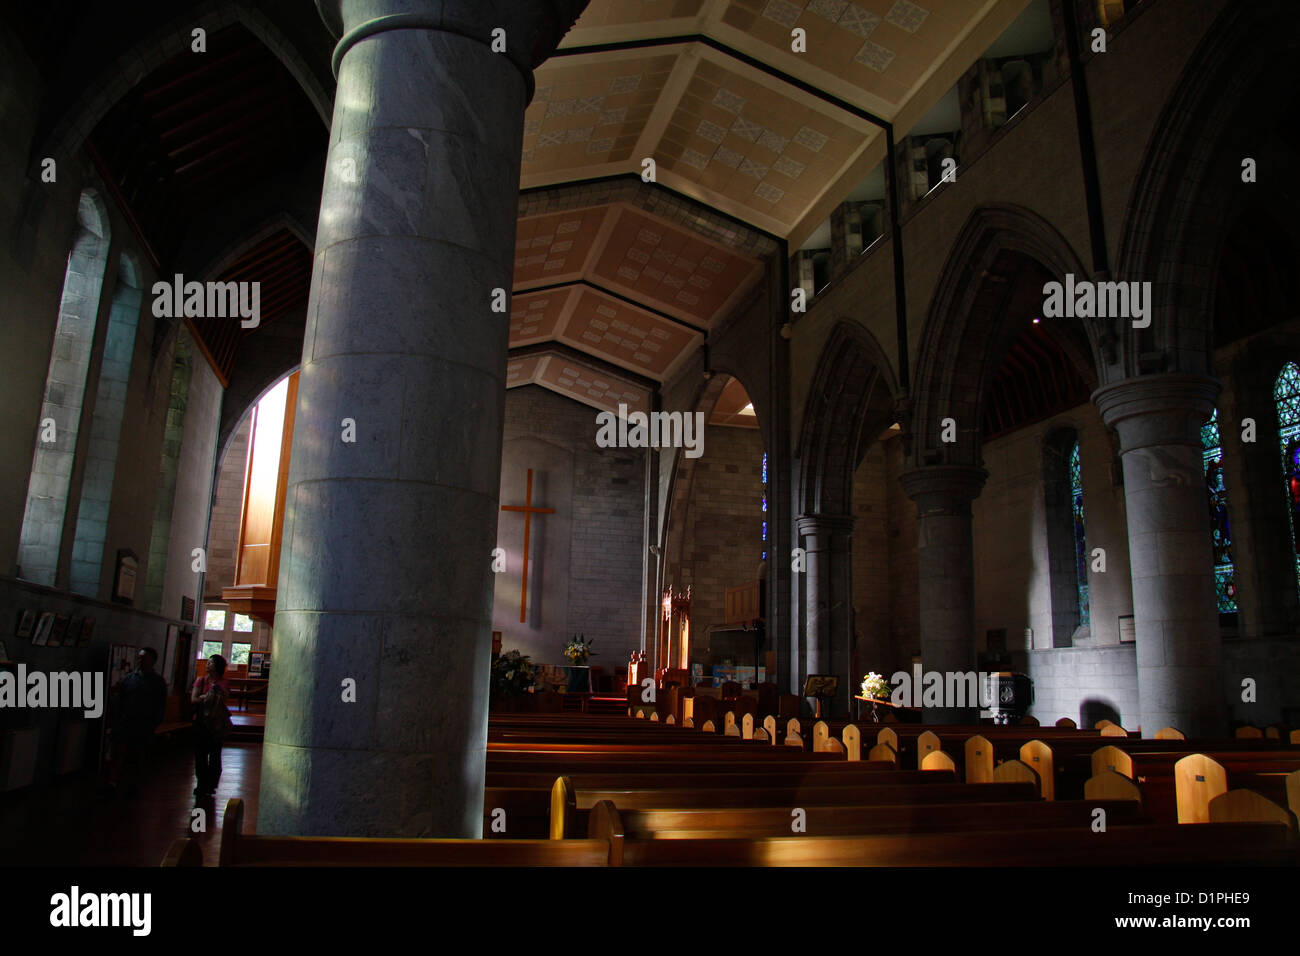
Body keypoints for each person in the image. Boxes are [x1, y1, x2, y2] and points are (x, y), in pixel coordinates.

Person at [106, 647, 168, 797]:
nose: (140, 661)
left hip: (144, 725)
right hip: (126, 723)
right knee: (119, 754)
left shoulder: (157, 682)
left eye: (144, 658)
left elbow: (160, 705)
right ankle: (113, 783)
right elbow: (119, 701)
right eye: (139, 658)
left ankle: (134, 784)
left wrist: (153, 723)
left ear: (152, 661)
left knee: (139, 756)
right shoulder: (129, 679)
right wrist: (116, 722)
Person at [191, 654, 231, 798]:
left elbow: (224, 698)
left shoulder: (223, 683)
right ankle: (201, 783)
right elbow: (194, 699)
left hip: (215, 724)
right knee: (200, 756)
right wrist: (205, 697)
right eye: (207, 663)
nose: (208, 665)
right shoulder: (200, 681)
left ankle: (211, 784)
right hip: (201, 723)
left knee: (215, 756)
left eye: (211, 663)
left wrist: (208, 696)